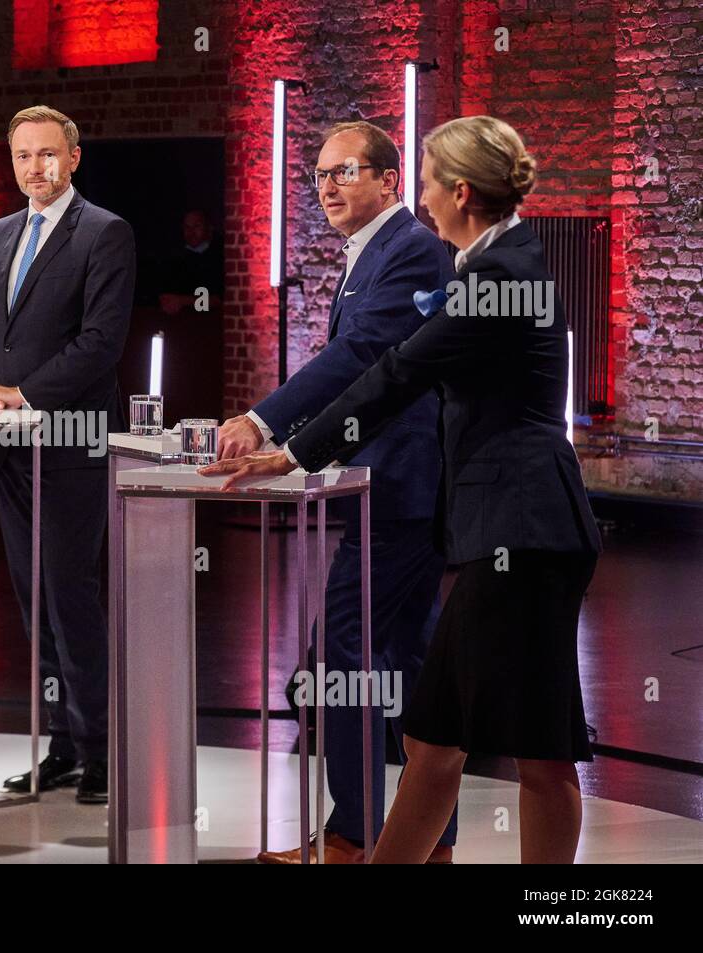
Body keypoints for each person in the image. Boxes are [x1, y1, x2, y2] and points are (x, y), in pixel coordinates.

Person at [203, 115, 602, 864]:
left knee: (539, 755)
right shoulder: (491, 263)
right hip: (498, 527)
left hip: (526, 528)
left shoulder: (499, 276)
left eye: (423, 183)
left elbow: (395, 372)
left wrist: (291, 449)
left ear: (458, 190)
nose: (420, 199)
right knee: (431, 735)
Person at [219, 121, 456, 864]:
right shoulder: (373, 253)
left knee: (340, 658)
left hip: (402, 487)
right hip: (388, 486)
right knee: (405, 659)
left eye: (344, 171)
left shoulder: (410, 248)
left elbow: (359, 356)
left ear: (389, 180)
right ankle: (429, 841)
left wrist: (266, 424)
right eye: (319, 174)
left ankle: (354, 836)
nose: (326, 186)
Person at [0, 105, 135, 803]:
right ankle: (62, 743)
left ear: (74, 157)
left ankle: (101, 750)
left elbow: (100, 343)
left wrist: (21, 392)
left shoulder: (105, 233)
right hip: (11, 448)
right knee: (35, 601)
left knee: (69, 593)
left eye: (48, 154)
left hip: (73, 441)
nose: (36, 167)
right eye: (23, 156)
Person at [157, 209, 223, 315]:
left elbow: (221, 300)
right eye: (187, 227)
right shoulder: (175, 259)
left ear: (209, 228)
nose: (191, 232)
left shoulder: (222, 258)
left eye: (197, 226)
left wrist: (183, 301)